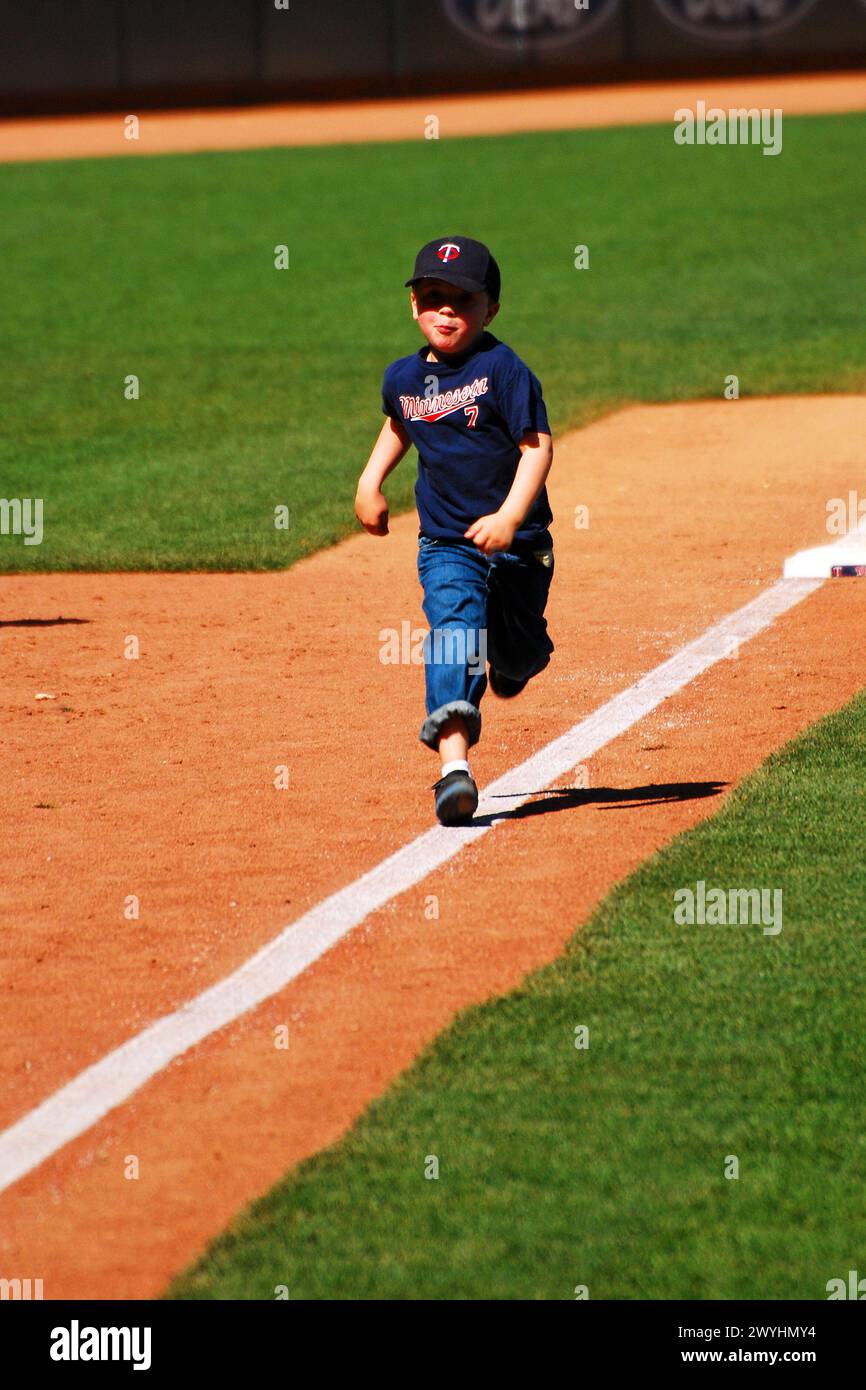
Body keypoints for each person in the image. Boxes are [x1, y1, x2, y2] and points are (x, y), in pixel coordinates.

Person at [354, 236, 555, 826]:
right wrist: (370, 483)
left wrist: (511, 516)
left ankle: (516, 661)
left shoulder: (502, 369)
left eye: (463, 299)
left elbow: (536, 447)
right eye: (434, 296)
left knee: (515, 652)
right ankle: (454, 769)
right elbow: (401, 424)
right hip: (446, 541)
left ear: (490, 308)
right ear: (413, 304)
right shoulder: (403, 377)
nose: (447, 310)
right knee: (454, 630)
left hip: (521, 545)